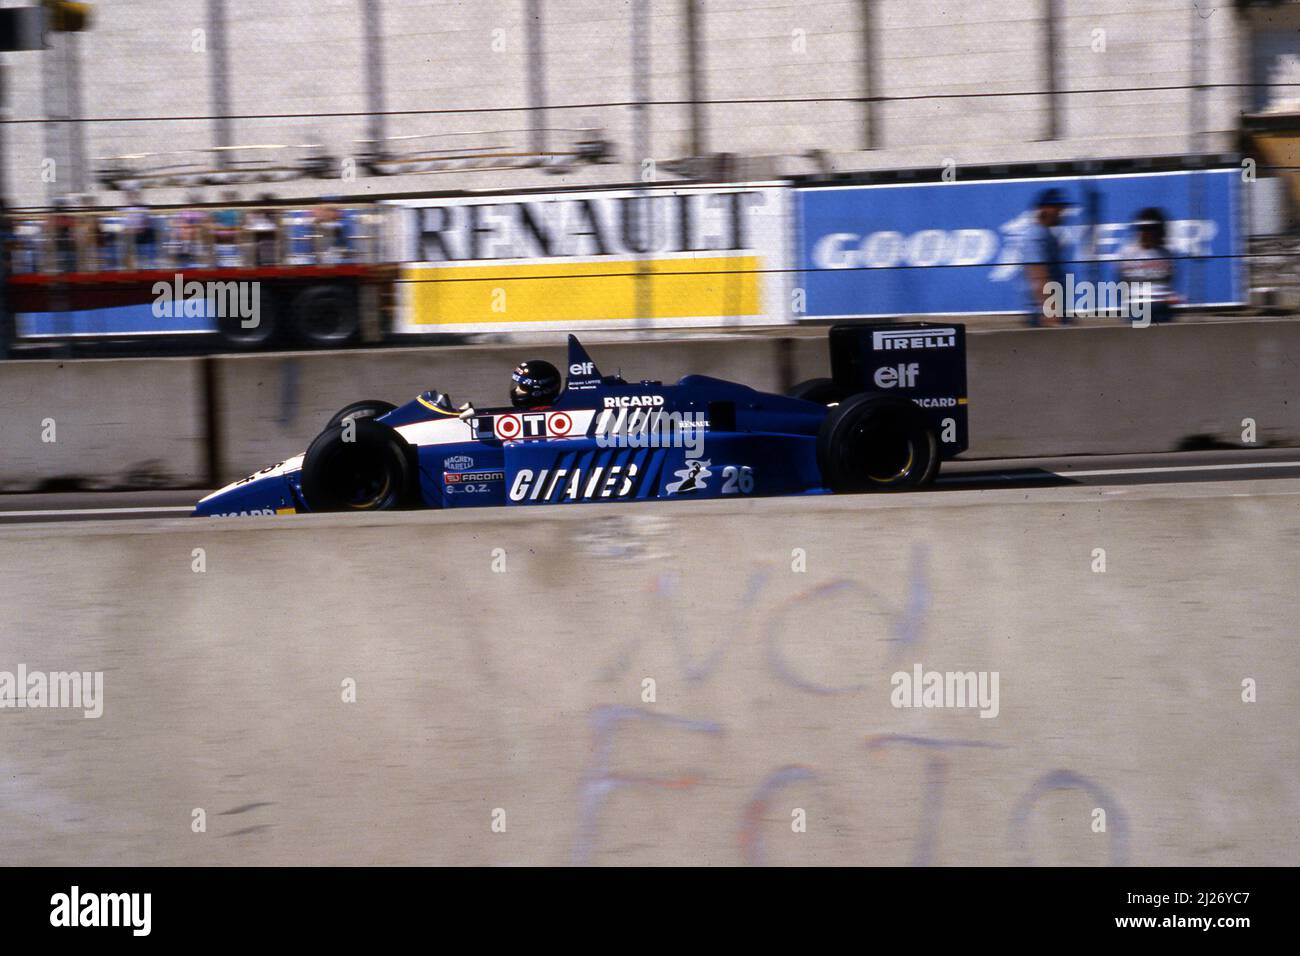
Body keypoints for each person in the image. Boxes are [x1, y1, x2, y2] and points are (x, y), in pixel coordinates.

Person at [1117, 207, 1177, 325]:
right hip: (1137, 306)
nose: (1146, 232)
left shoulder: (1166, 253)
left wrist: (1169, 297)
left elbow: (1170, 279)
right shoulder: (1127, 253)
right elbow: (1121, 279)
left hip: (1161, 306)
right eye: (1143, 228)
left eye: (1151, 228)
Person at [1021, 188, 1072, 327]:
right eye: (1058, 208)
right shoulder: (1036, 236)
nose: (1062, 212)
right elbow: (1038, 274)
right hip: (1042, 315)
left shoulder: (1047, 234)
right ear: (1046, 209)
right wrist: (1050, 313)